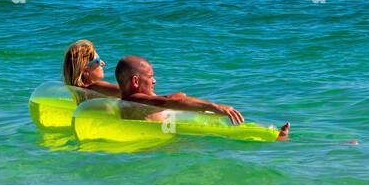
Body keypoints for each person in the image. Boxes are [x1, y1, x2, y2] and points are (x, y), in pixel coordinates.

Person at [114, 55, 290, 140]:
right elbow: (169, 101)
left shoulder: (131, 100)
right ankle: (275, 136)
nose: (154, 80)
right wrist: (216, 106)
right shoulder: (135, 99)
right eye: (150, 76)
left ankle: (273, 134)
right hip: (158, 144)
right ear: (136, 81)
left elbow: (168, 99)